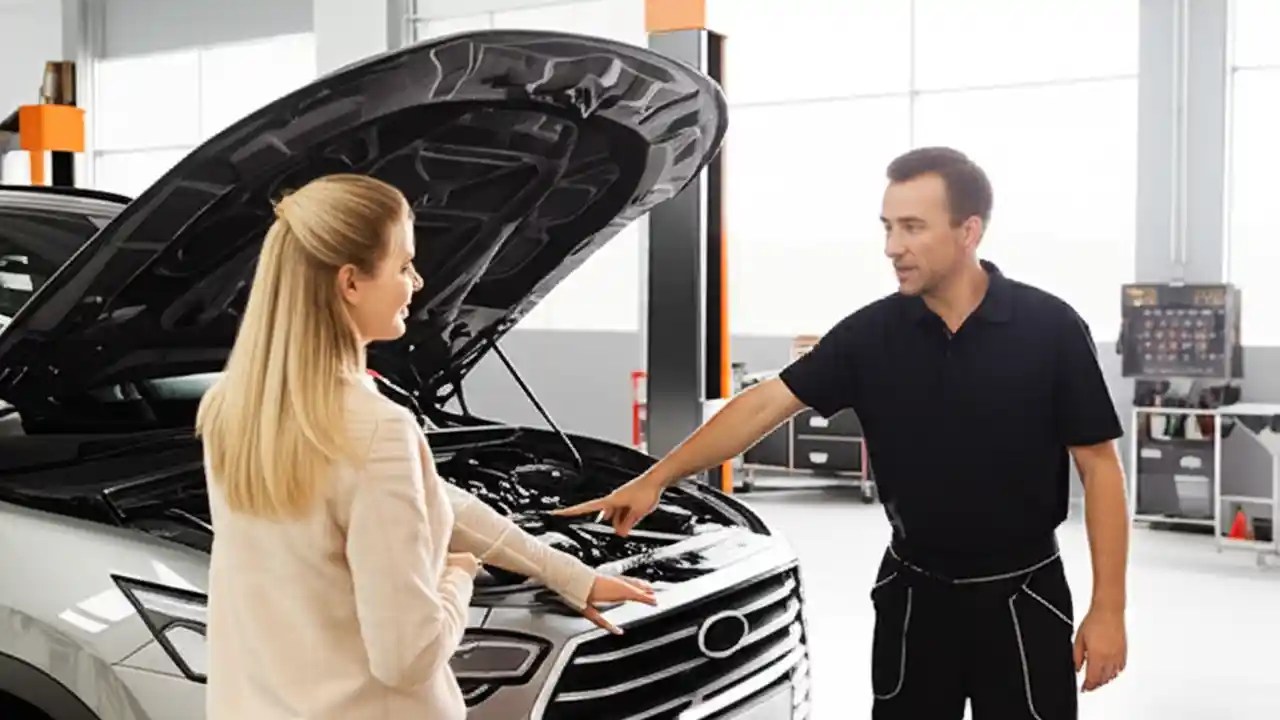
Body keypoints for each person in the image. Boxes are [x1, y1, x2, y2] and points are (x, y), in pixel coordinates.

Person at [556, 147, 1130, 719]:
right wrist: (657, 478)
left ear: (968, 231)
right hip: (915, 595)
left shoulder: (1050, 328)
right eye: (887, 227)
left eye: (912, 227)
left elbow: (1100, 468)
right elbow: (764, 405)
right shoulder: (872, 335)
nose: (891, 247)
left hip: (1023, 594)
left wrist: (1109, 608)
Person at [195, 173, 656, 720]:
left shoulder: (229, 408)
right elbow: (407, 657)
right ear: (350, 283)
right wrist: (455, 577)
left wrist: (566, 573)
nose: (417, 283)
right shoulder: (376, 427)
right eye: (403, 265)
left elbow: (439, 501)